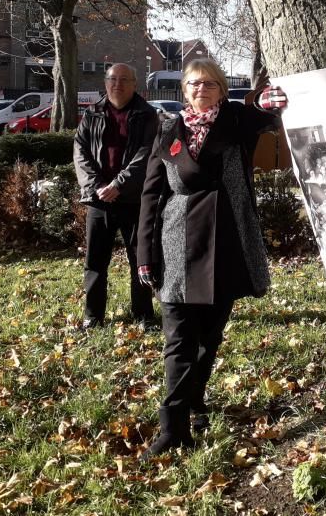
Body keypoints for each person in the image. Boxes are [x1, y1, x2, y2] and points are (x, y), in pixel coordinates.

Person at [136, 58, 287, 458]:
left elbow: (265, 110)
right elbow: (152, 194)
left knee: (210, 336)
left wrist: (272, 91)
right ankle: (173, 426)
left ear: (222, 88)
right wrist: (144, 253)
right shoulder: (168, 128)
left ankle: (196, 399)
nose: (200, 90)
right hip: (176, 243)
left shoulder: (237, 121)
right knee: (178, 338)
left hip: (227, 242)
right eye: (193, 85)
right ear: (183, 91)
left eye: (209, 84)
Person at [74, 63, 158, 330]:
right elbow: (80, 152)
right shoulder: (92, 114)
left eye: (124, 80)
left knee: (140, 261)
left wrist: (119, 184)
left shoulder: (147, 115)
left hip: (134, 200)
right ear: (105, 82)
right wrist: (98, 186)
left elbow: (148, 154)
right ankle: (93, 315)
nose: (117, 84)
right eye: (112, 79)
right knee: (95, 262)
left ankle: (143, 314)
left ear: (135, 84)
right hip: (100, 200)